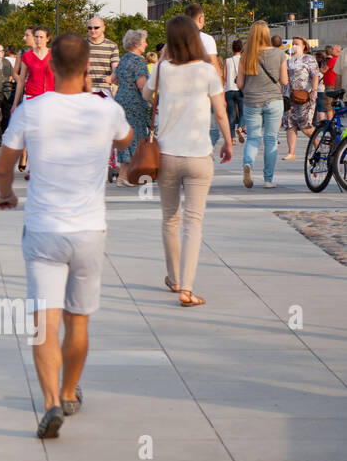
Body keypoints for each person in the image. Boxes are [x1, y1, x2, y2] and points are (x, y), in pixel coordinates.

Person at [0, 33, 134, 439]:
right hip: (89, 230)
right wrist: (94, 96)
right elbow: (127, 141)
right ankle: (71, 392)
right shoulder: (105, 110)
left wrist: (5, 196)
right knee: (78, 322)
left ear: (50, 65)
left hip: (43, 229)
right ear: (88, 64)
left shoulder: (31, 110)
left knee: (44, 322)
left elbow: (5, 167)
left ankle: (51, 402)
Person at [144, 16, 233, 307]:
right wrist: (228, 142)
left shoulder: (162, 69)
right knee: (193, 223)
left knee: (170, 218)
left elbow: (147, 95)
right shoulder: (208, 70)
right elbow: (220, 112)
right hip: (199, 154)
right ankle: (188, 288)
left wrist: (161, 61)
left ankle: (175, 278)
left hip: (167, 154)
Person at [236, 20, 288, 188]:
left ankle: (248, 164)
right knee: (271, 140)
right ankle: (268, 180)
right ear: (267, 34)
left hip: (251, 101)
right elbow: (285, 80)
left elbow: (239, 85)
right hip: (274, 101)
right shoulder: (279, 54)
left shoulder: (245, 56)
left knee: (253, 138)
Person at [13, 26, 55, 174]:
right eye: (36, 37)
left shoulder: (54, 55)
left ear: (48, 39)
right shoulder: (28, 56)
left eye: (41, 37)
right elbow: (21, 80)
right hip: (31, 97)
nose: (38, 40)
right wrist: (15, 104)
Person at [113, 29, 151, 186]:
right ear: (137, 44)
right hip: (134, 102)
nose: (146, 44)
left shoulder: (124, 59)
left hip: (121, 100)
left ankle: (122, 175)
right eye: (144, 41)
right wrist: (152, 102)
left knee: (124, 135)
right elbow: (142, 85)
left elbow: (114, 79)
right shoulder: (138, 61)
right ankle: (130, 175)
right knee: (136, 136)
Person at [281, 36, 320, 160]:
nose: (294, 46)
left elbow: (315, 75)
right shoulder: (289, 60)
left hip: (305, 96)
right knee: (290, 123)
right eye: (293, 44)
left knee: (305, 126)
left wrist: (314, 90)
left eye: (297, 44)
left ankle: (318, 145)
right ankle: (291, 152)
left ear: (304, 46)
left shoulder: (309, 59)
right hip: (290, 96)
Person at [85, 16, 119, 95]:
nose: (92, 30)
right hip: (86, 89)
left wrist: (111, 77)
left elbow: (115, 67)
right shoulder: (81, 45)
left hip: (104, 89)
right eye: (90, 28)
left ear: (103, 28)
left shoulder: (112, 46)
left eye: (96, 27)